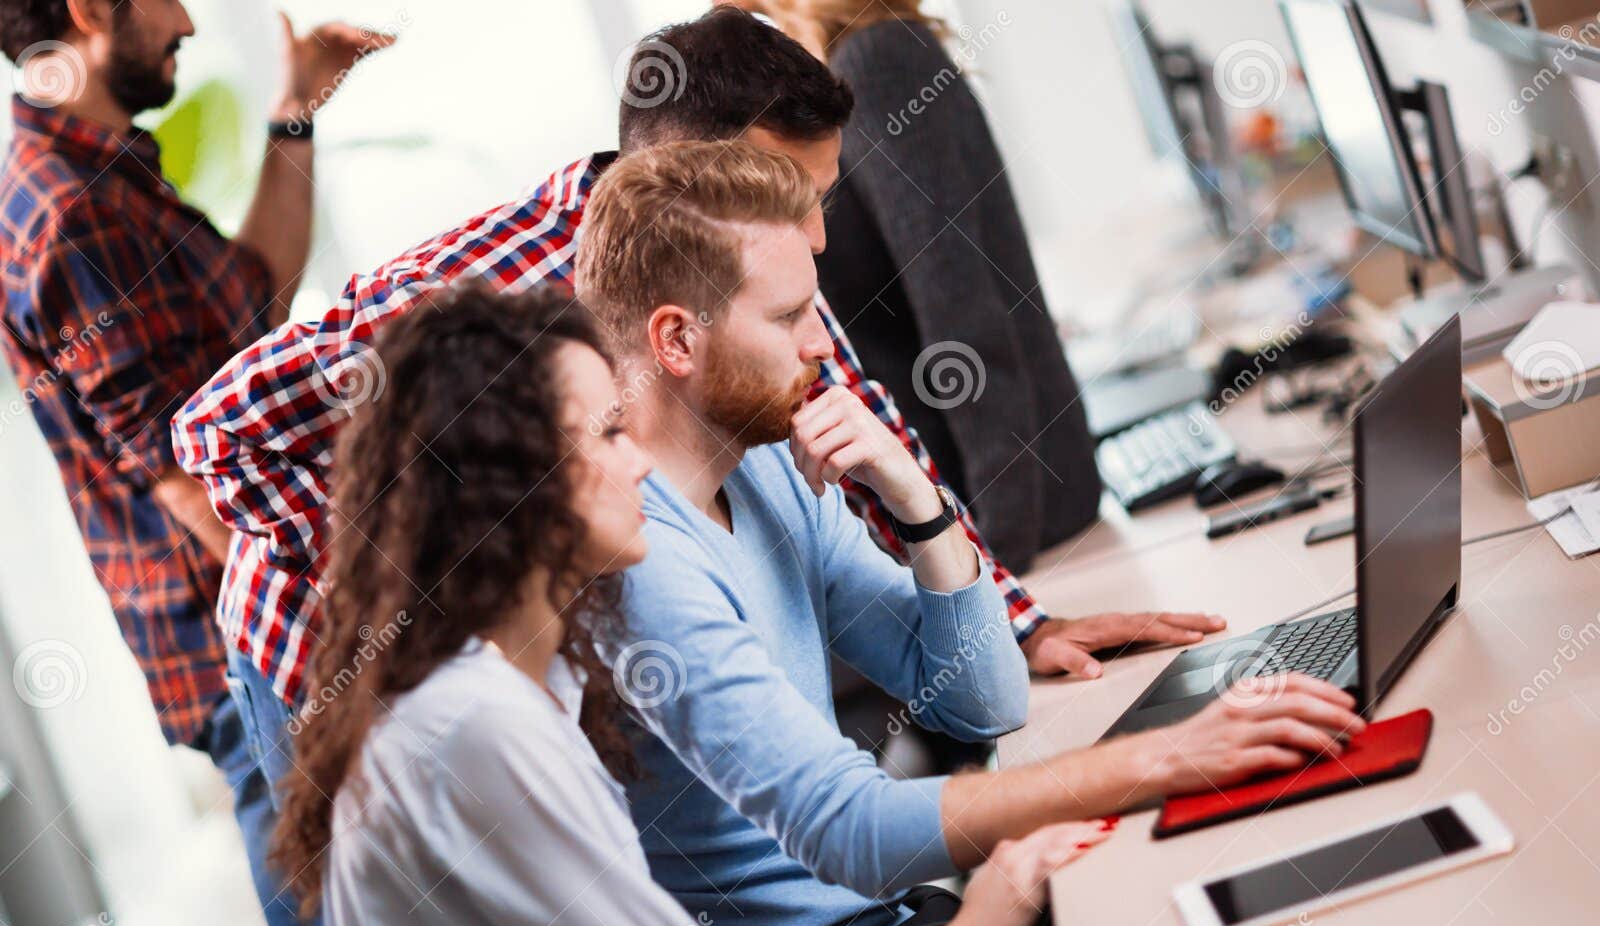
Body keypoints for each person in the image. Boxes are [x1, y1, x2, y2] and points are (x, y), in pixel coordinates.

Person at [172, 8, 1228, 820]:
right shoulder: (488, 281)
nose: (817, 223)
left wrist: (1021, 620)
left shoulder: (749, 264)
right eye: (790, 187)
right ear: (689, 175)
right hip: (318, 650)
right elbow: (217, 429)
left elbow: (858, 413)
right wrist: (401, 580)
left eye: (820, 191)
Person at [574, 139, 1366, 926]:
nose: (820, 343)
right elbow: (852, 834)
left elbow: (984, 699)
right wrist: (1169, 754)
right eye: (785, 317)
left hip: (893, 919)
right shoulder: (640, 557)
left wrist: (917, 501)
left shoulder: (765, 461)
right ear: (677, 341)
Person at [269, 281, 1112, 926]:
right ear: (511, 482)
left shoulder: (541, 685)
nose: (637, 464)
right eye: (604, 435)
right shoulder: (479, 722)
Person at [0, 0, 391, 926]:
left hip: (251, 637)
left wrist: (296, 107)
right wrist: (345, 633)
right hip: (249, 646)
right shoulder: (68, 211)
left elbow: (252, 300)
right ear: (91, 14)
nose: (183, 20)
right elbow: (188, 484)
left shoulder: (98, 172)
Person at [734, 0, 1101, 571]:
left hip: (1002, 516)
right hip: (975, 511)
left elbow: (959, 306)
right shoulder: (848, 61)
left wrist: (990, 560)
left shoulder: (877, 59)